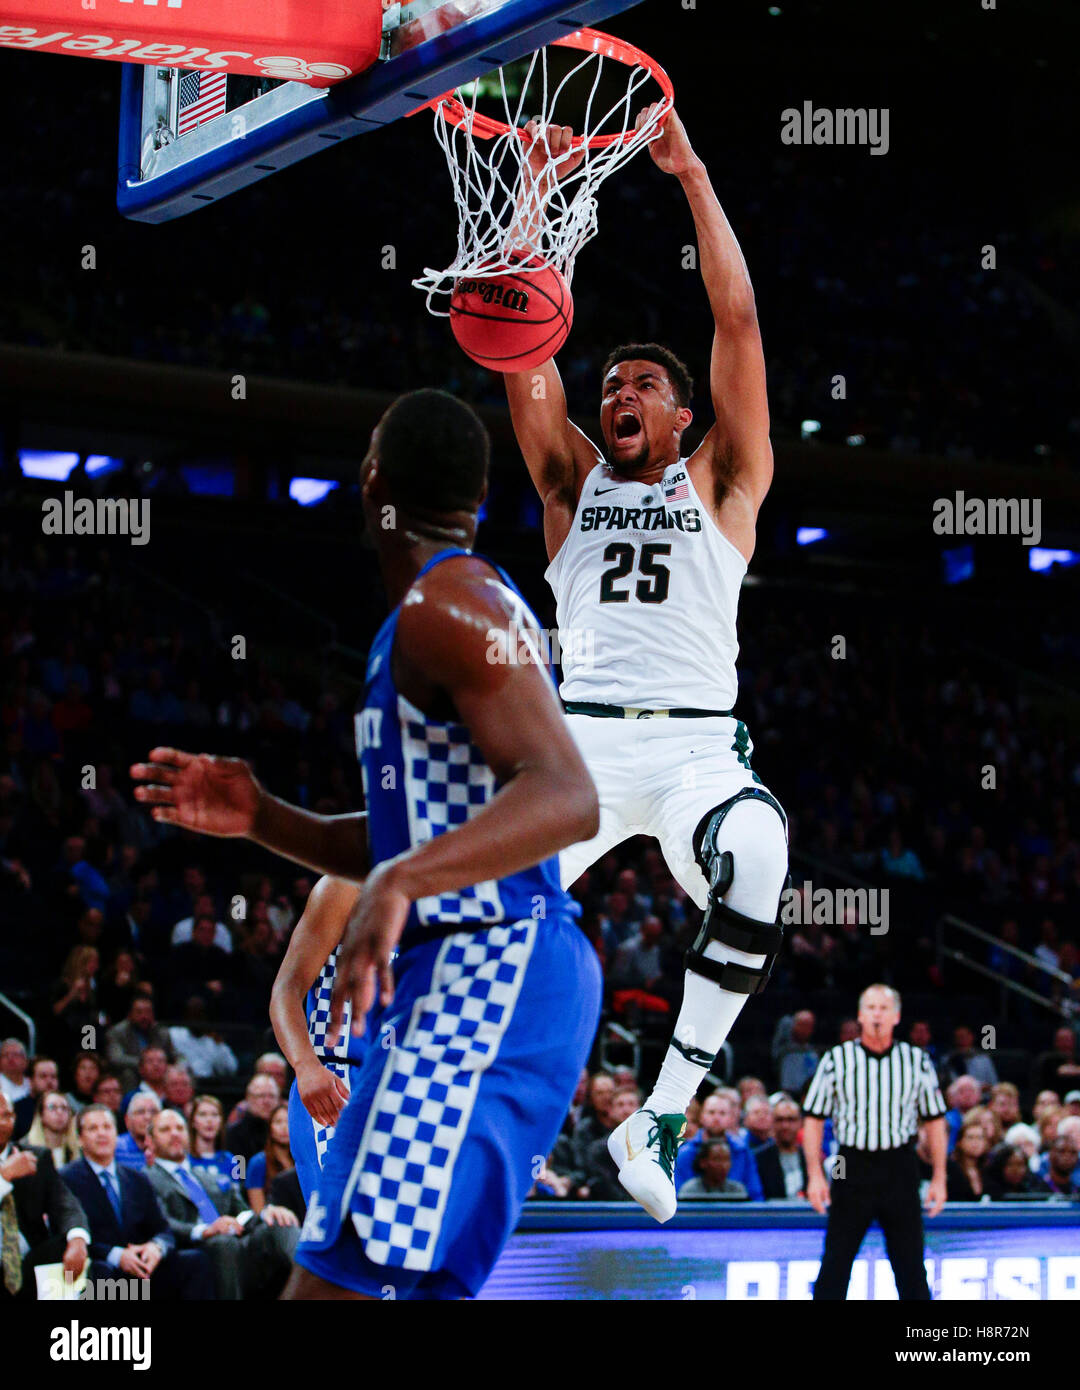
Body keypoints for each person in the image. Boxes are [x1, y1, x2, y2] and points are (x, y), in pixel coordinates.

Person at [131, 388, 603, 1301]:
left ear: (371, 478)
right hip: (459, 982)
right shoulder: (423, 619)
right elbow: (408, 835)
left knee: (341, 1290)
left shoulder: (451, 603)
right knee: (366, 1288)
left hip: (490, 971)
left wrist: (399, 880)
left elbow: (569, 794)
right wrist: (266, 817)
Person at [499, 109, 789, 1223]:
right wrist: (529, 197)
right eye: (608, 384)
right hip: (577, 741)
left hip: (693, 750)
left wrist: (693, 175)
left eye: (638, 386)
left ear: (681, 413)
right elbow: (525, 346)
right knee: (451, 900)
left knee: (757, 852)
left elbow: (738, 316)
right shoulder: (572, 484)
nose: (616, 394)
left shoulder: (724, 480)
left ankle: (658, 1117)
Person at [803, 985, 947, 1301]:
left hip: (901, 1165)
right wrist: (814, 1175)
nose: (876, 1014)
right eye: (870, 1007)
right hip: (851, 1166)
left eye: (883, 1008)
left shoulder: (916, 1060)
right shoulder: (836, 1059)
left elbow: (935, 1121)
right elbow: (813, 1118)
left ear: (896, 1016)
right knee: (835, 1265)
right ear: (859, 1015)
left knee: (911, 1268)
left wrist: (939, 1177)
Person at [269, 875, 358, 1203]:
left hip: (406, 1081)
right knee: (341, 1231)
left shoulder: (445, 890)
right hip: (338, 1078)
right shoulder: (344, 886)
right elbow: (285, 990)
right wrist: (305, 1066)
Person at [61, 1105, 213, 1300]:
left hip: (142, 1267)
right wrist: (116, 1255)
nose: (102, 1134)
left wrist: (156, 1247)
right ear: (80, 1139)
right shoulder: (67, 1178)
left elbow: (163, 1230)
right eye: (93, 1129)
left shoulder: (137, 1178)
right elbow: (69, 1235)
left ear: (116, 1133)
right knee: (102, 1272)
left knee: (195, 1261)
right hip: (103, 1265)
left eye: (107, 1127)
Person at [145, 1109, 297, 1300]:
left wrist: (268, 1212)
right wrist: (206, 1230)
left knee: (281, 1224)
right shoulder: (144, 1178)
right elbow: (161, 1223)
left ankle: (319, 1289)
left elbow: (244, 1212)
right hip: (194, 1249)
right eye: (165, 1129)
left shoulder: (213, 1177)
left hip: (237, 1244)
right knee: (223, 1243)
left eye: (179, 1128)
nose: (175, 1133)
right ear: (149, 1141)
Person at [0, 1092, 90, 1301]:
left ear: (13, 1119)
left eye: (5, 1115)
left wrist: (77, 1239)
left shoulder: (35, 1157)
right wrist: (4, 1178)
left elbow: (65, 1203)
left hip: (28, 1261)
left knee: (66, 1248)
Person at [673, 1089, 764, 1200]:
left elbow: (755, 1194)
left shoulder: (742, 1152)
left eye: (722, 1113)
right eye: (711, 1112)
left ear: (731, 1118)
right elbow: (676, 1195)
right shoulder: (684, 1153)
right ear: (701, 1117)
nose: (716, 1118)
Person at [105, 997, 174, 1091]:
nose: (144, 1016)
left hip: (158, 1071)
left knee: (177, 1072)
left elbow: (174, 1055)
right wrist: (146, 1064)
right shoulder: (117, 1032)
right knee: (128, 1074)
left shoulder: (161, 1032)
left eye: (148, 1012)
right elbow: (116, 1058)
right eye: (139, 1012)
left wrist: (179, 1064)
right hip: (133, 1071)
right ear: (130, 1015)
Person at [244, 1103, 294, 1214]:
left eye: (288, 1121)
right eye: (278, 1122)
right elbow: (259, 1211)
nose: (284, 1127)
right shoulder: (258, 1162)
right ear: (270, 1127)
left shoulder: (302, 1161)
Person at [755, 1096, 808, 1199]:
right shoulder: (759, 1158)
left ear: (800, 1122)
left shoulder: (811, 1158)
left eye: (791, 1120)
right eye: (780, 1120)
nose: (785, 1126)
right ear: (772, 1122)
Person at [188, 1095, 238, 1194]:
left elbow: (236, 1199)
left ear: (221, 1121)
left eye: (214, 1115)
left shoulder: (231, 1160)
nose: (209, 1120)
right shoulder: (184, 1159)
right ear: (193, 1122)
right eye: (202, 1114)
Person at [224, 1074, 280, 1161]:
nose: (267, 1101)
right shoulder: (234, 1134)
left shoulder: (287, 1133)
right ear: (248, 1098)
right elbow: (238, 1172)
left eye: (272, 1096)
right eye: (261, 1096)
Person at [23, 1091, 81, 1168]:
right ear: (41, 1115)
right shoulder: (26, 1147)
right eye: (52, 1107)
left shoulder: (77, 1148)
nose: (59, 1112)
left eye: (64, 1108)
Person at [677, 1137, 747, 1199]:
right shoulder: (690, 1191)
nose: (723, 1165)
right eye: (717, 1159)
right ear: (703, 1163)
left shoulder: (737, 1190)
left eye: (726, 1160)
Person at [11, 1056, 60, 1139]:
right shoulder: (16, 1109)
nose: (49, 1081)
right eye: (43, 1076)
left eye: (53, 1076)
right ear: (30, 1080)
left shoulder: (66, 1108)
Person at [982, 1143, 1050, 1200]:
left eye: (1020, 1165)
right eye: (1010, 1164)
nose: (1015, 1170)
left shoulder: (1033, 1187)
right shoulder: (989, 1190)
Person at [945, 1114, 989, 1201]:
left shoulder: (990, 1170)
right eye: (970, 1138)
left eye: (980, 1138)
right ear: (959, 1142)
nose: (975, 1143)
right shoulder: (950, 1170)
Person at [115, 1092, 160, 1171]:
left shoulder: (168, 1147)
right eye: (140, 1112)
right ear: (127, 1120)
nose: (148, 1117)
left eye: (153, 1112)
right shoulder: (115, 1147)